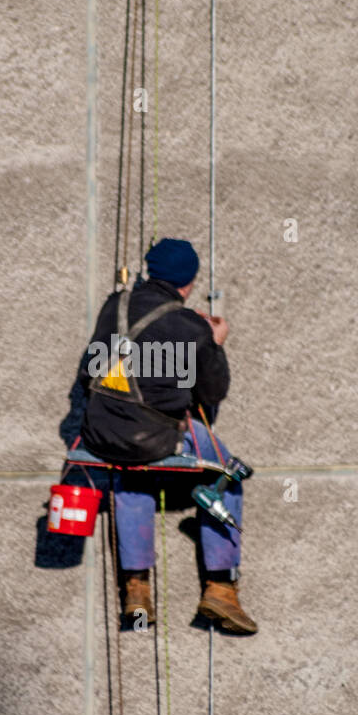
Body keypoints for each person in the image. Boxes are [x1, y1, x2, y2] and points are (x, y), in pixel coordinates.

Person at [78, 237, 257, 635]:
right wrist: (215, 344)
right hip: (155, 436)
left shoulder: (116, 305)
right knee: (225, 473)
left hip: (100, 432)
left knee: (131, 475)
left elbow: (88, 369)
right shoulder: (192, 326)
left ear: (150, 271)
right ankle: (220, 588)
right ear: (189, 282)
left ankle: (137, 590)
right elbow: (213, 393)